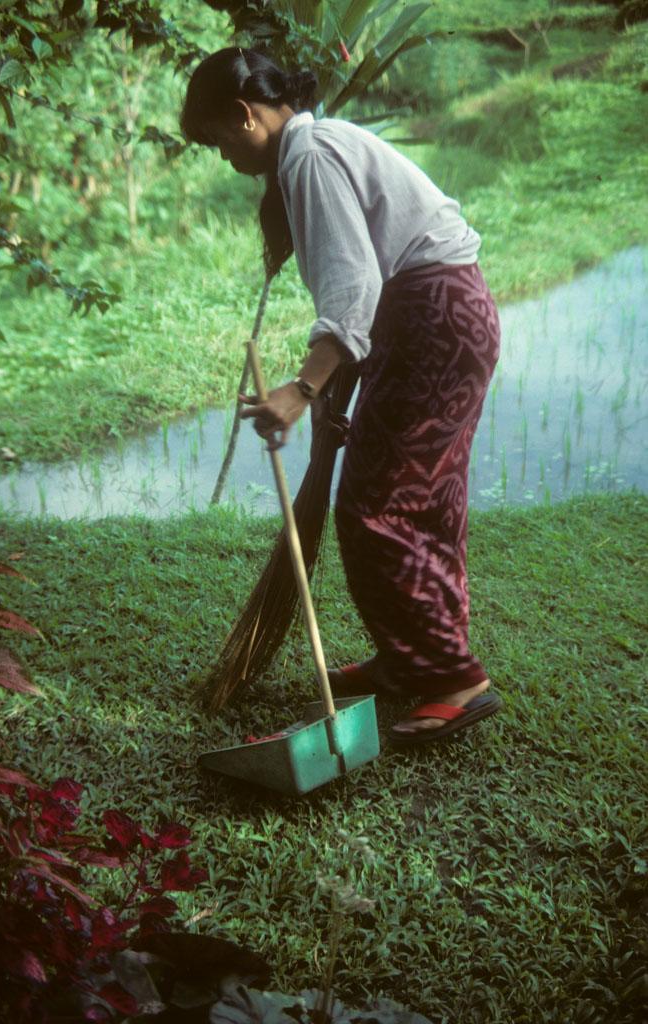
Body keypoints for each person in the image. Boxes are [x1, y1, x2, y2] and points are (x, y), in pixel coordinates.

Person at [180, 47, 502, 746]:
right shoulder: (318, 146)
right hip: (441, 317)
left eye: (218, 139)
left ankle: (454, 679)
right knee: (424, 498)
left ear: (244, 115)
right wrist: (335, 401)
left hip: (432, 321)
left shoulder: (311, 156)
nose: (224, 156)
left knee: (379, 507)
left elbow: (356, 287)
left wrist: (302, 390)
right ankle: (413, 659)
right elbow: (368, 290)